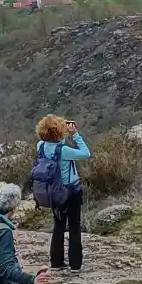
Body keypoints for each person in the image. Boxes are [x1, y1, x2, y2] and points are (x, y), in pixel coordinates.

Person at [34, 115, 92, 272]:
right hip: (71, 191)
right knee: (74, 227)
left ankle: (56, 262)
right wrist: (75, 134)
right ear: (58, 132)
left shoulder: (40, 146)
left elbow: (51, 143)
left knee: (58, 225)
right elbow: (86, 153)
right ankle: (75, 264)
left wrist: (58, 134)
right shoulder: (64, 151)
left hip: (54, 193)